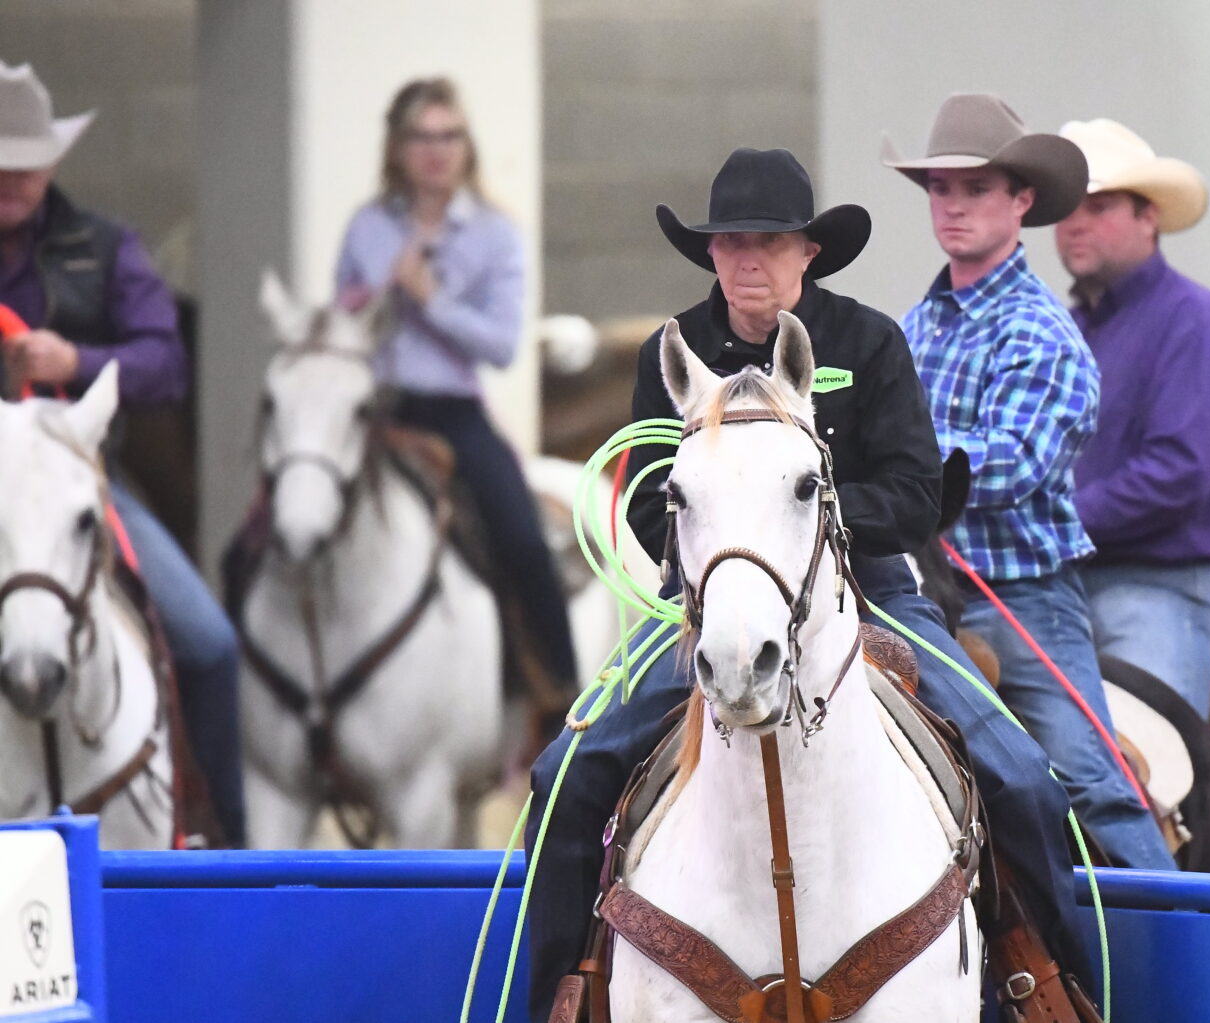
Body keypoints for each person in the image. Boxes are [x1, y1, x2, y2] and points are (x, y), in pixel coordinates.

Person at [523, 146, 1092, 1022]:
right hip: (710, 603)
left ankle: (1051, 988)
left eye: (770, 241)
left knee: (1024, 776)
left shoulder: (868, 342)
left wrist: (808, 521)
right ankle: (558, 993)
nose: (749, 259)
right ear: (708, 255)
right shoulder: (667, 355)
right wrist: (730, 551)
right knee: (567, 771)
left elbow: (912, 497)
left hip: (870, 595)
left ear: (808, 251)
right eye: (730, 243)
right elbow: (646, 500)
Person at [886, 92, 1175, 869]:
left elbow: (1012, 461)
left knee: (1089, 778)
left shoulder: (1042, 331)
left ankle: (1184, 942)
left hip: (1017, 597)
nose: (952, 206)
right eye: (940, 189)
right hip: (913, 590)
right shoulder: (915, 325)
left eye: (975, 188)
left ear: (1021, 201)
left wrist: (899, 457)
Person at [0, 60, 244, 845]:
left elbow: (164, 361)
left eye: (26, 161)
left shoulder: (101, 246)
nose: (13, 176)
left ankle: (214, 840)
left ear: (52, 163)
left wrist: (72, 363)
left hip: (79, 476)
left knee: (207, 644)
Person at [334, 77, 578, 710]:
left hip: (451, 412)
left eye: (450, 136)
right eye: (421, 136)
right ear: (397, 147)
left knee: (522, 538)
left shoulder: (496, 233)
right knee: (287, 510)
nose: (436, 150)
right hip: (375, 407)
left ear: (467, 147)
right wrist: (362, 305)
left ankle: (559, 690)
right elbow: (340, 320)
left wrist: (429, 300)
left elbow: (500, 345)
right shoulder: (367, 226)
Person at [1053, 118, 1210, 717]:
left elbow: (1176, 473)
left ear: (1150, 216)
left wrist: (1046, 521)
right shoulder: (1062, 330)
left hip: (1160, 584)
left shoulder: (1199, 321)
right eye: (1068, 207)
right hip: (1061, 583)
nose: (1076, 222)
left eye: (1101, 204)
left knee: (1147, 762)